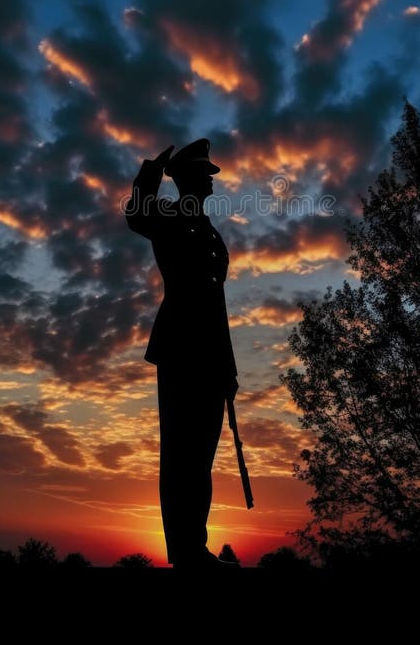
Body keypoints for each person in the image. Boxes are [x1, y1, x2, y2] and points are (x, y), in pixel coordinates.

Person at [124, 138, 239, 570]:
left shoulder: (208, 230)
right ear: (185, 179)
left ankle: (195, 547)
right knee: (180, 456)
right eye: (203, 174)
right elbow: (137, 215)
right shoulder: (169, 217)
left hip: (209, 355)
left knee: (201, 457)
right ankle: (185, 553)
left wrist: (227, 368)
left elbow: (216, 307)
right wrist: (149, 176)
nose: (210, 181)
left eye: (209, 174)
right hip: (179, 349)